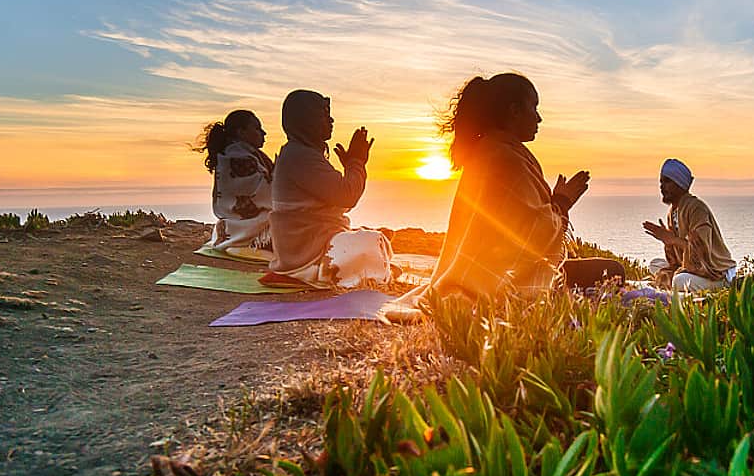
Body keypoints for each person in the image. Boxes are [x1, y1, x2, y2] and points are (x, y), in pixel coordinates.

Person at [388, 72, 592, 318]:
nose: (539, 118)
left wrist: (557, 202)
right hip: (498, 283)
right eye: (534, 108)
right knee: (612, 270)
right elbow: (529, 237)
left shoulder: (494, 150)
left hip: (489, 274)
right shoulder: (505, 159)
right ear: (514, 111)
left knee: (603, 270)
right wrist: (562, 201)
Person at [265, 89, 394, 289]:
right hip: (307, 254)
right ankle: (326, 270)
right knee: (371, 241)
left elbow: (337, 201)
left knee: (370, 240)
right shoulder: (300, 156)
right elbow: (347, 196)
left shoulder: (299, 152)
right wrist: (356, 162)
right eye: (324, 115)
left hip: (308, 244)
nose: (331, 120)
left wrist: (351, 166)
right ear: (306, 120)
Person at [642, 158, 737, 291]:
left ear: (679, 184)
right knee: (655, 264)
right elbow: (677, 259)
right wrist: (668, 243)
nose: (662, 186)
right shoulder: (673, 212)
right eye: (661, 182)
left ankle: (725, 285)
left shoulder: (697, 208)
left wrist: (672, 240)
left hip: (715, 272)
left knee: (679, 281)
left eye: (667, 181)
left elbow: (702, 253)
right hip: (690, 269)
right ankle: (671, 282)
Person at [195, 110, 274, 254]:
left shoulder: (238, 154)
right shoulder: (239, 158)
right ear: (241, 132)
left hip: (232, 227)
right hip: (247, 228)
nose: (264, 133)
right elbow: (266, 194)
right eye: (257, 128)